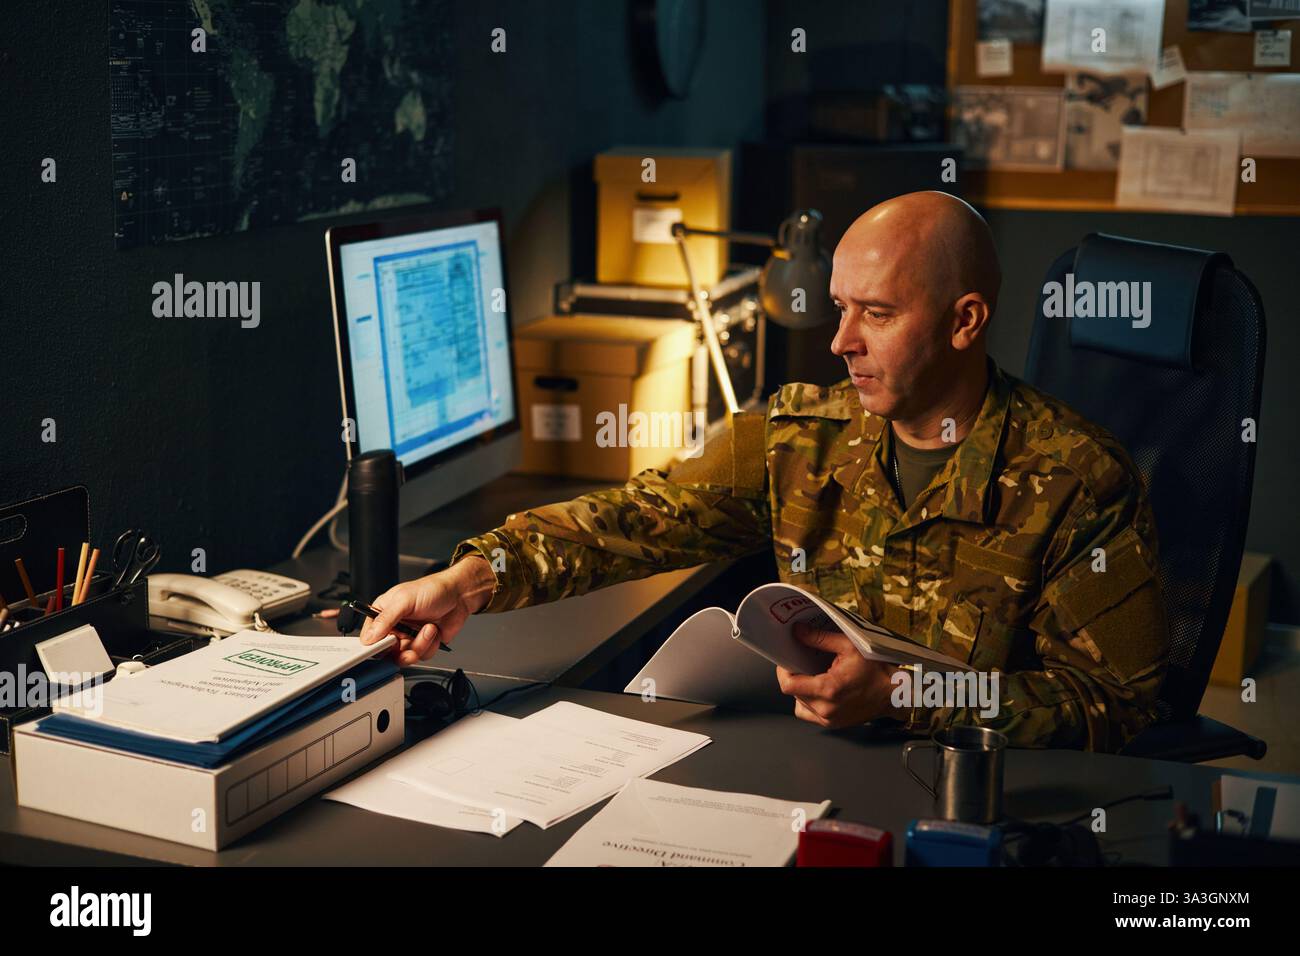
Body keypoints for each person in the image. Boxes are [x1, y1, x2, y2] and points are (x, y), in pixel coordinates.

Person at [359, 191, 1170, 752]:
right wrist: (468, 580)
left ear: (965, 322)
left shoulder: (1077, 480)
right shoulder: (798, 436)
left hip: (972, 798)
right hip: (811, 770)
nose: (839, 341)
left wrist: (905, 695)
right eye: (840, 305)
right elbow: (634, 519)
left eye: (877, 315)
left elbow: (1114, 707)